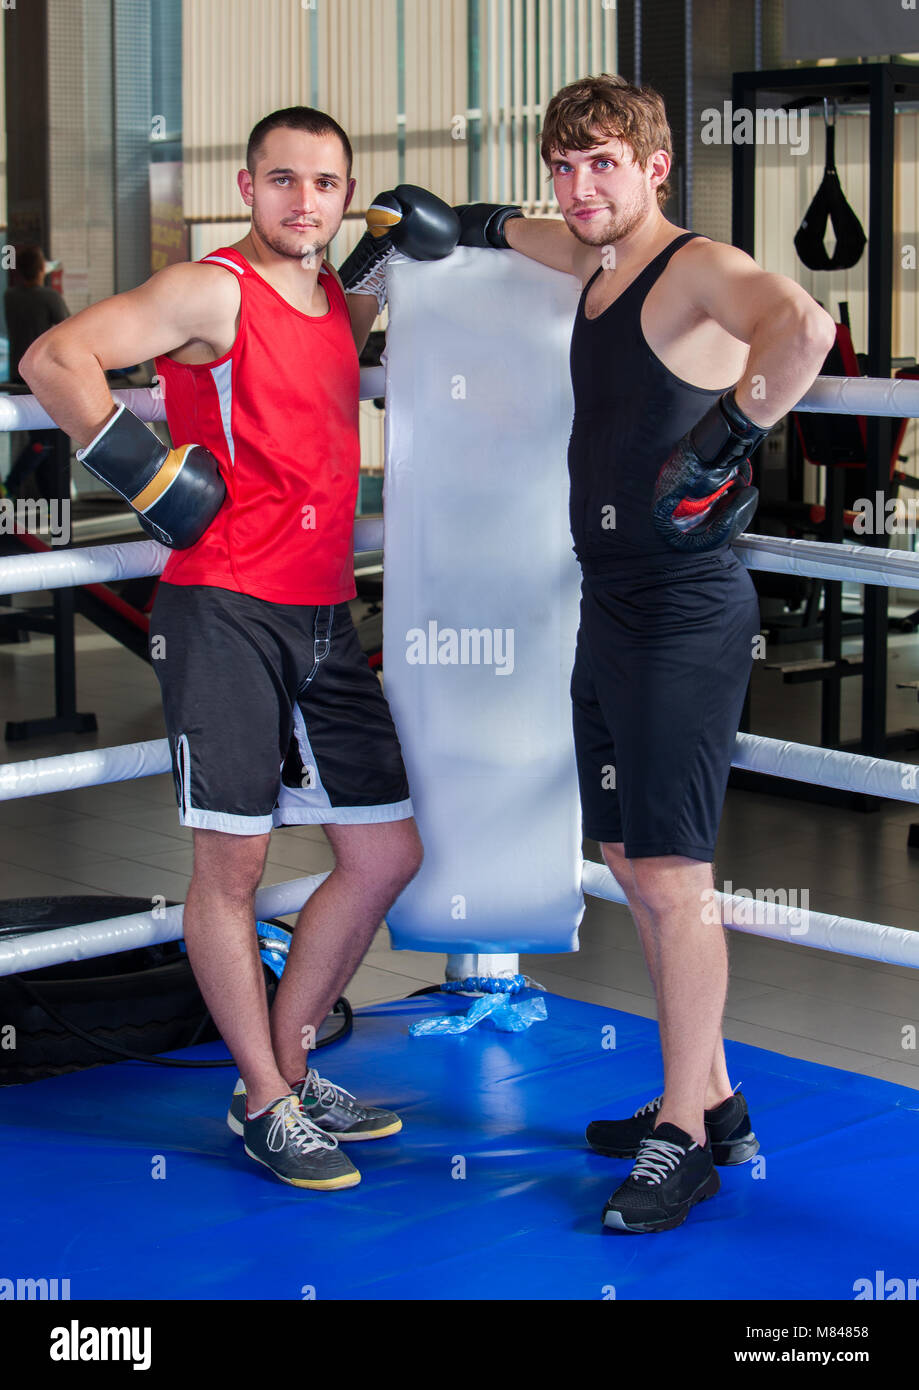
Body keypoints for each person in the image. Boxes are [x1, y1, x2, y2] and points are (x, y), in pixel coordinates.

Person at [20, 107, 458, 1192]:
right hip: (221, 607)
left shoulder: (339, 303)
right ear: (245, 185)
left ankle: (291, 1063)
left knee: (385, 851)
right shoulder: (210, 289)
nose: (303, 202)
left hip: (320, 610)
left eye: (324, 184)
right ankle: (265, 1097)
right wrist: (142, 469)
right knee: (236, 862)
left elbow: (354, 309)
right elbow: (53, 355)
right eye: (282, 181)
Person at [453, 74, 835, 1232]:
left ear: (656, 167)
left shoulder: (694, 265)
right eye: (563, 166)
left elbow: (804, 326)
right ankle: (709, 1097)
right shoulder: (594, 260)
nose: (577, 188)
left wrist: (726, 439)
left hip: (683, 612)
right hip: (610, 603)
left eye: (603, 164)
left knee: (672, 881)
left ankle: (682, 1141)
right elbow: (518, 233)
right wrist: (453, 224)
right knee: (623, 849)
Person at [3, 244, 69, 498]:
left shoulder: (10, 296)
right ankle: (10, 484)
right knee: (47, 442)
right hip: (44, 378)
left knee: (42, 439)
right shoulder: (48, 297)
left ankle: (48, 499)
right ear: (41, 268)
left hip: (19, 376)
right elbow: (67, 329)